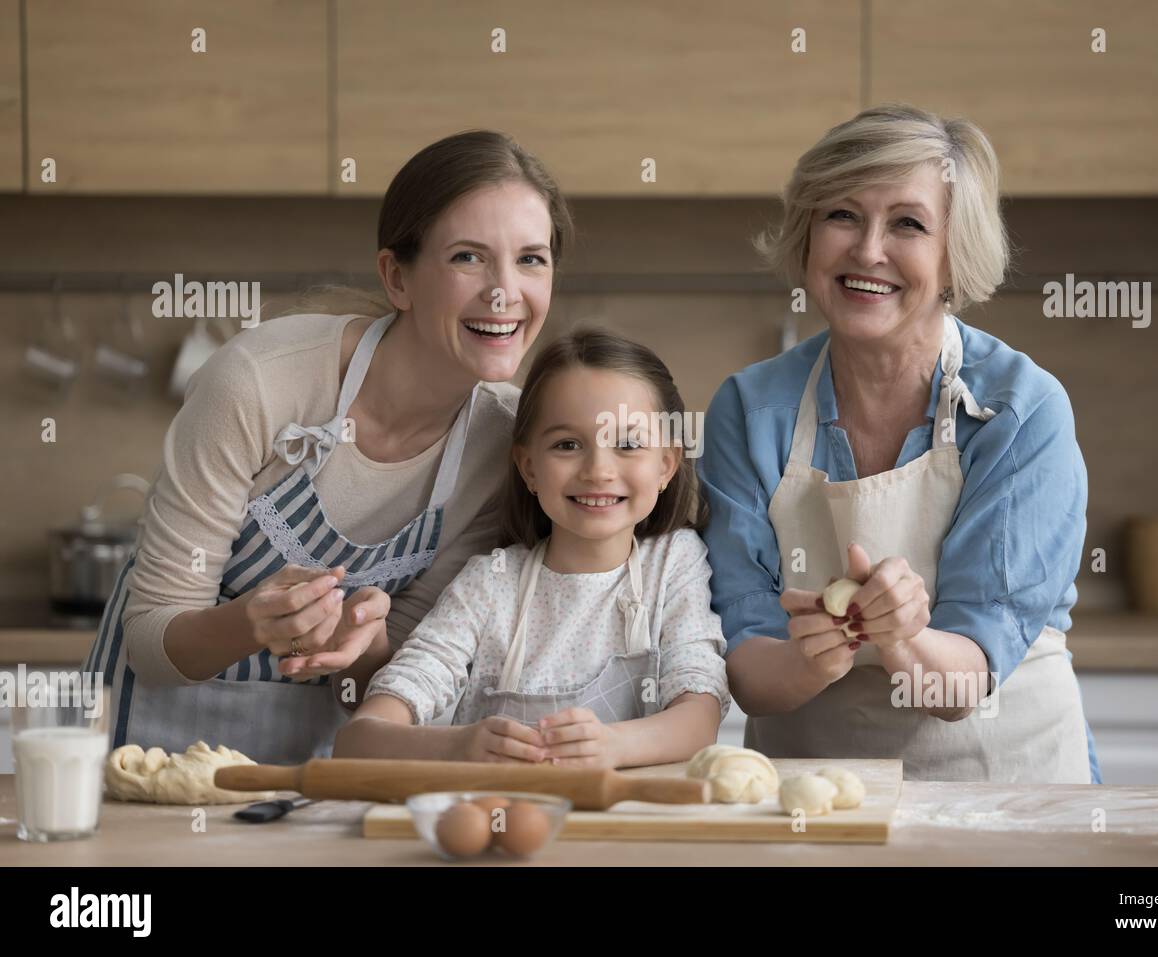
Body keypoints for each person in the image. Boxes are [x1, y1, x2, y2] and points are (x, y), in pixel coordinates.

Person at [84, 131, 573, 764]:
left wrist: (362, 645)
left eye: (531, 259)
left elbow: (384, 689)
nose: (505, 292)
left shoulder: (504, 444)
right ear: (398, 277)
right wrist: (251, 623)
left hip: (313, 780)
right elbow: (152, 642)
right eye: (468, 258)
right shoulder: (260, 382)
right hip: (149, 759)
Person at [699, 104, 1099, 783]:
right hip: (814, 805)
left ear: (953, 257)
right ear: (806, 236)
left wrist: (903, 634)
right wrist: (808, 658)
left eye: (908, 223)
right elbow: (746, 663)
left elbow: (965, 678)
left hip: (1007, 792)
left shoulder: (1021, 411)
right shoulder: (748, 409)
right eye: (842, 215)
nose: (867, 250)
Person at [336, 329, 729, 768]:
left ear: (666, 466)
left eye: (628, 445)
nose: (598, 470)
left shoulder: (674, 562)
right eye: (567, 445)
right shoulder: (489, 583)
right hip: (503, 827)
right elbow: (360, 741)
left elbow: (699, 722)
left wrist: (614, 746)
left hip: (632, 829)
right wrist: (458, 748)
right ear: (529, 468)